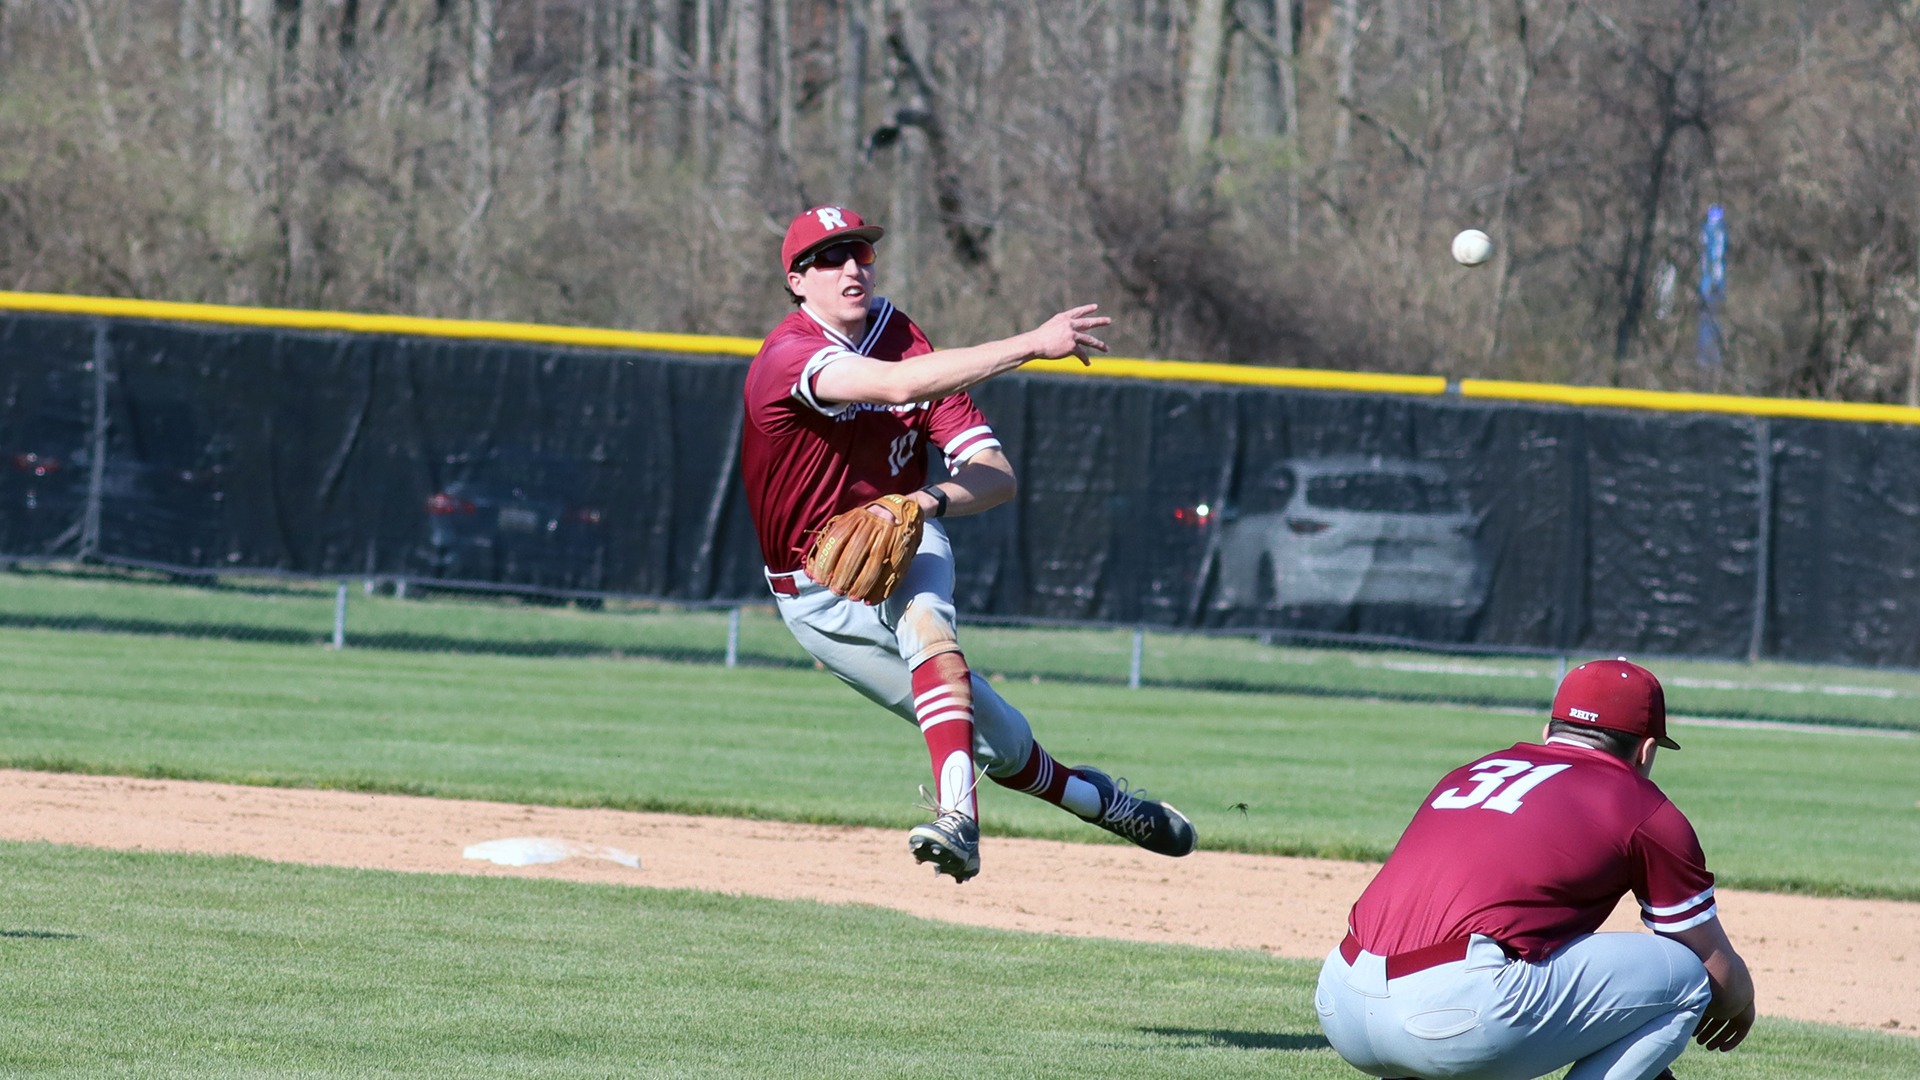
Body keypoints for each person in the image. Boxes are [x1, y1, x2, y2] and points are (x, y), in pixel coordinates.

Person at [739, 204, 1196, 884]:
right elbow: (894, 387)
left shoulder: (909, 346)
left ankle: (958, 819)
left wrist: (924, 502)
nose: (851, 268)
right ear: (797, 282)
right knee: (1001, 742)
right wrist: (1031, 343)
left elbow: (996, 476)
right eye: (830, 258)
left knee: (930, 628)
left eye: (860, 253)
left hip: (907, 541)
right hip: (814, 594)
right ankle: (1099, 800)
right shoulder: (790, 356)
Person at [1315, 658, 1755, 1080]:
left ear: (1548, 731)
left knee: (1510, 959)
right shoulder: (1643, 806)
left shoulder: (1469, 771)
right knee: (1684, 976)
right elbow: (1718, 978)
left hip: (1341, 1001)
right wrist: (1741, 998)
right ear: (1646, 750)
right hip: (1455, 1016)